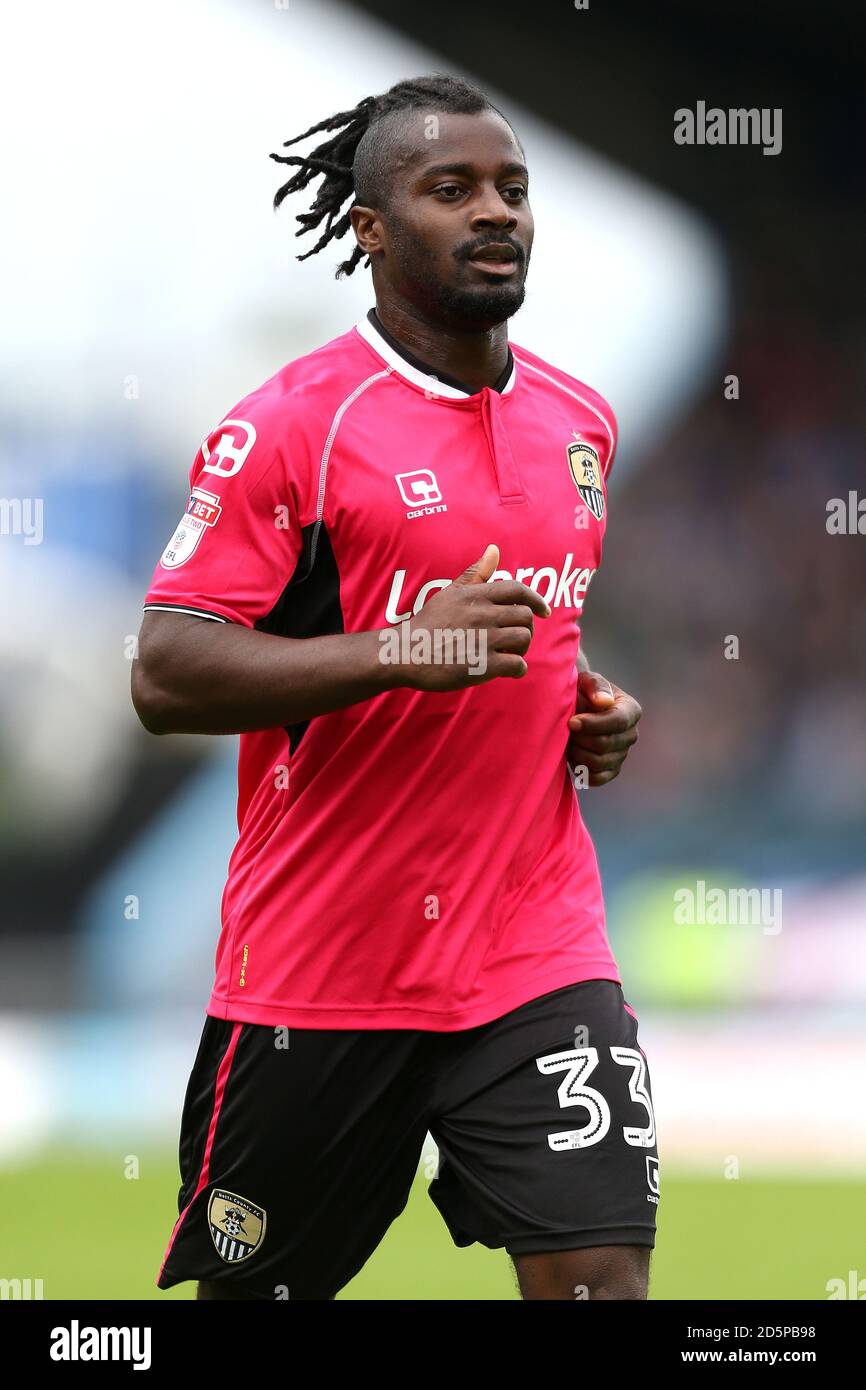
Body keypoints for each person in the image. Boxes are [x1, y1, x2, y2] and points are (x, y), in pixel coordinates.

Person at [132, 73, 656, 1302]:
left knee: (600, 1280)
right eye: (450, 189)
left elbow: (527, 633)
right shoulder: (290, 427)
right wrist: (396, 651)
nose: (495, 214)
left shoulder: (581, 422)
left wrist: (590, 704)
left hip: (533, 944)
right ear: (369, 229)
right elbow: (165, 671)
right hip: (322, 968)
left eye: (512, 190)